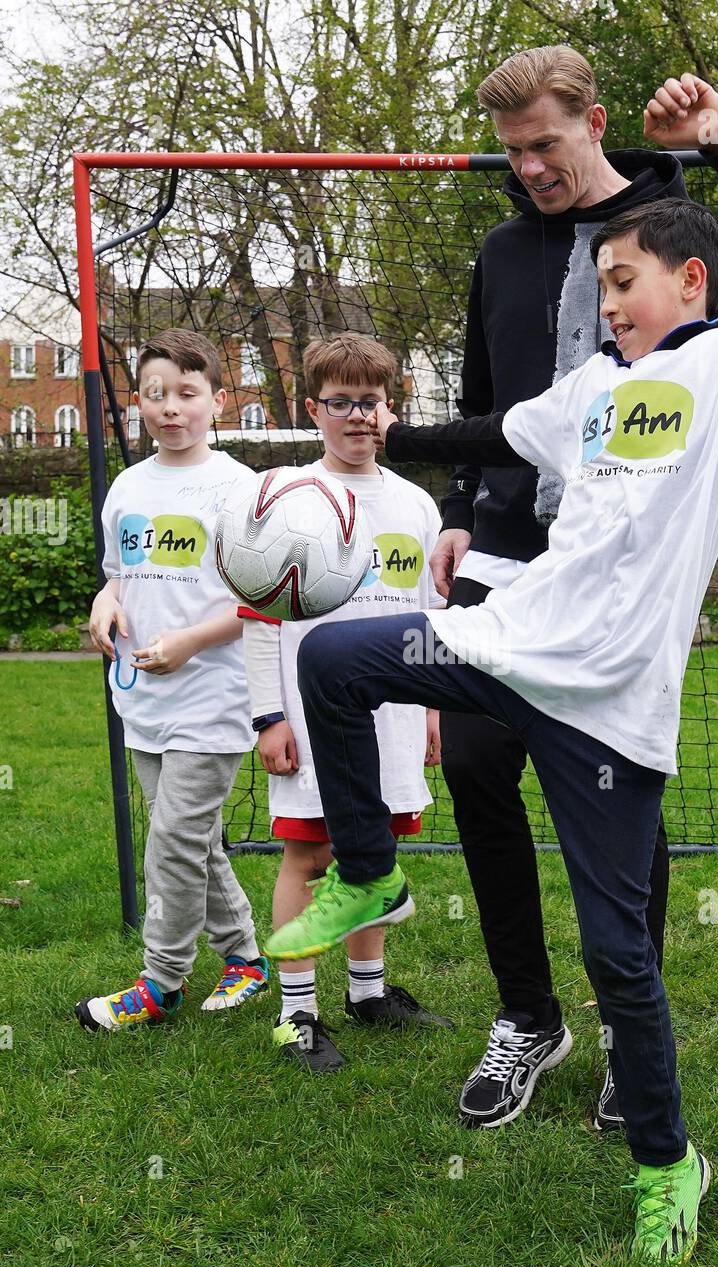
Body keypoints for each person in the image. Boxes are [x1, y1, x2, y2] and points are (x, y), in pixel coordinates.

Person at [265, 73, 718, 1262]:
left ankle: (666, 1160)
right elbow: (488, 430)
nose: (604, 301)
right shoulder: (592, 390)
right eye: (597, 284)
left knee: (617, 957)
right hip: (505, 643)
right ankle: (369, 873)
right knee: (331, 655)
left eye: (620, 282)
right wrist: (377, 436)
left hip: (610, 707)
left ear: (687, 282)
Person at [427, 44, 718, 1131]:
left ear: (594, 120)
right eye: (511, 152)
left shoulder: (671, 226)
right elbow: (479, 394)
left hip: (616, 567)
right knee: (473, 764)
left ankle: (627, 1027)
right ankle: (528, 1015)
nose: (527, 168)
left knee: (615, 786)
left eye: (545, 144)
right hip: (505, 553)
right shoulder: (499, 251)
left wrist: (709, 143)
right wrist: (456, 512)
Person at [241, 332, 453, 1070]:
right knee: (308, 852)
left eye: (370, 401)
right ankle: (296, 1015)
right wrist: (269, 715)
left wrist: (431, 710)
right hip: (307, 716)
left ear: (390, 406)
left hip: (393, 718)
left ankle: (368, 992)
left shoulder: (419, 505)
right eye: (340, 403)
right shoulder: (289, 498)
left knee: (377, 852)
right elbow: (260, 619)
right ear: (313, 408)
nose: (357, 417)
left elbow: (431, 615)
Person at [77, 329, 268, 1031]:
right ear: (140, 402)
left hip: (214, 699)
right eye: (156, 394)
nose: (170, 408)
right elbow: (117, 574)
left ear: (216, 401)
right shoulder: (128, 486)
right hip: (141, 695)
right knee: (189, 837)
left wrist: (190, 641)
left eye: (187, 394)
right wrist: (106, 603)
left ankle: (160, 983)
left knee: (174, 843)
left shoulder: (241, 488)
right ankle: (246, 959)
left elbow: (261, 600)